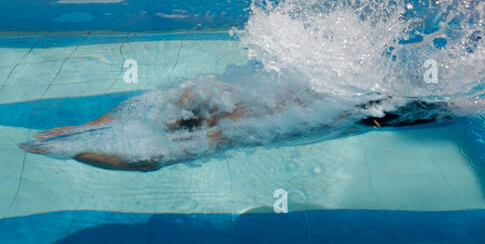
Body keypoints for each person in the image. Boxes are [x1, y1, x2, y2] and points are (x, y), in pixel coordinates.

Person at [22, 75, 441, 171]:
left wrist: (75, 150)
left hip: (366, 115)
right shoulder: (213, 89)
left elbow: (149, 162)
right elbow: (136, 105)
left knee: (449, 109)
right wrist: (79, 127)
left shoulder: (229, 130)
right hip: (353, 84)